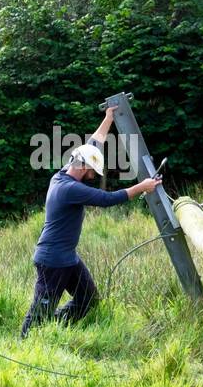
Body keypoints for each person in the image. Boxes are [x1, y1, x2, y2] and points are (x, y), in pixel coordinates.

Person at [20, 108, 162, 337]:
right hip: (53, 260)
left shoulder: (66, 171)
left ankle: (54, 326)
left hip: (68, 258)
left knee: (87, 300)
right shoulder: (69, 189)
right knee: (39, 312)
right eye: (92, 172)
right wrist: (142, 187)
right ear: (83, 167)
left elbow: (92, 145)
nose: (94, 176)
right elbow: (108, 199)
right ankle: (25, 343)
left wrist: (108, 119)